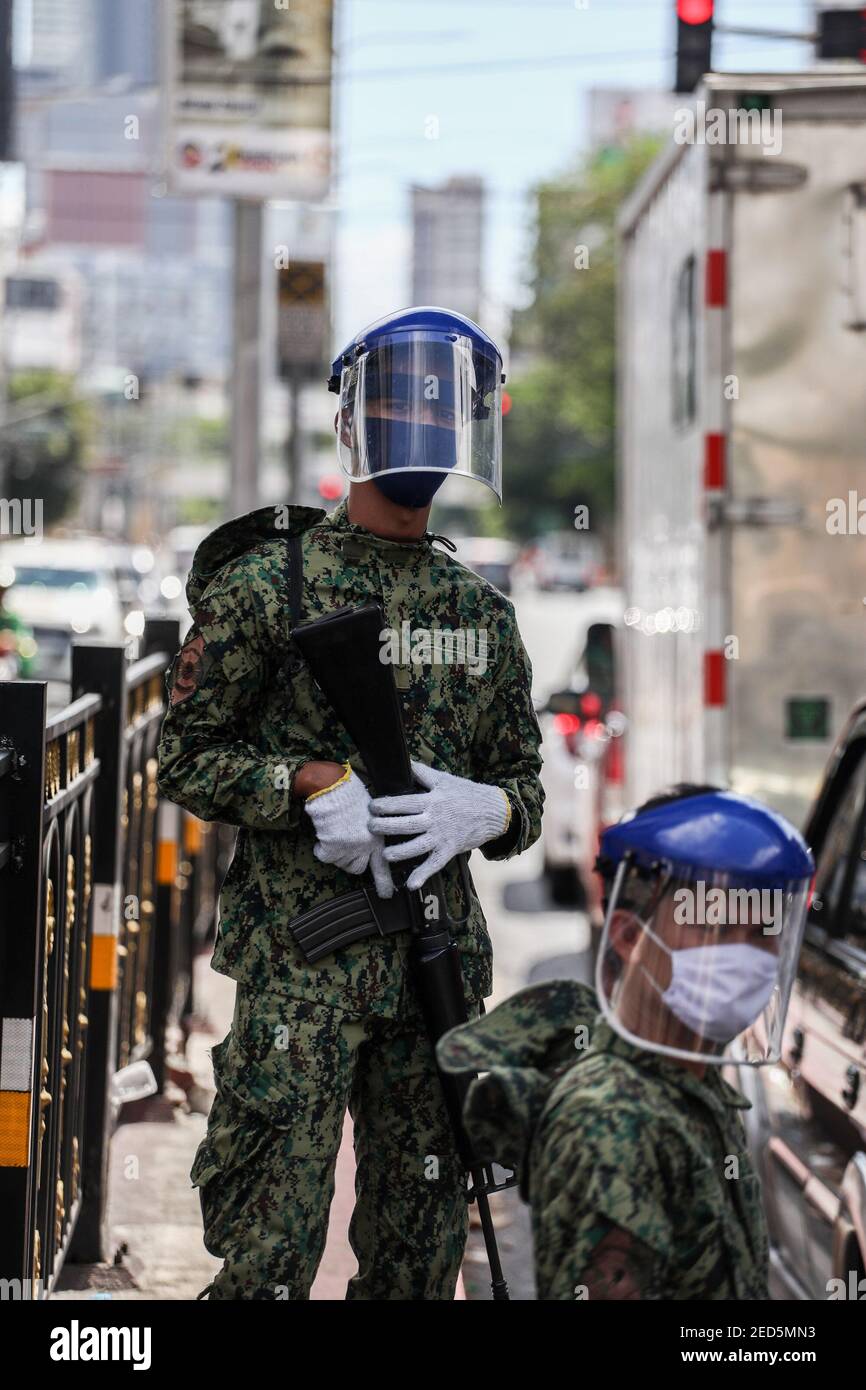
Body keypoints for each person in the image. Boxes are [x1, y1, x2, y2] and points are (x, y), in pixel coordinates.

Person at [156, 305, 544, 1300]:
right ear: (349, 421)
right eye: (395, 397)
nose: (419, 419)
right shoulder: (265, 584)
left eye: (439, 403)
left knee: (417, 1259)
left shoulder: (481, 612)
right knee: (269, 1259)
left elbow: (524, 786)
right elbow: (185, 757)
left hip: (435, 967)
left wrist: (485, 812)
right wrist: (303, 783)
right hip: (301, 964)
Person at [437, 784, 814, 1300]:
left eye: (764, 931)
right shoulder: (610, 1123)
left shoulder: (691, 1088)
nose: (751, 956)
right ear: (630, 936)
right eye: (719, 924)